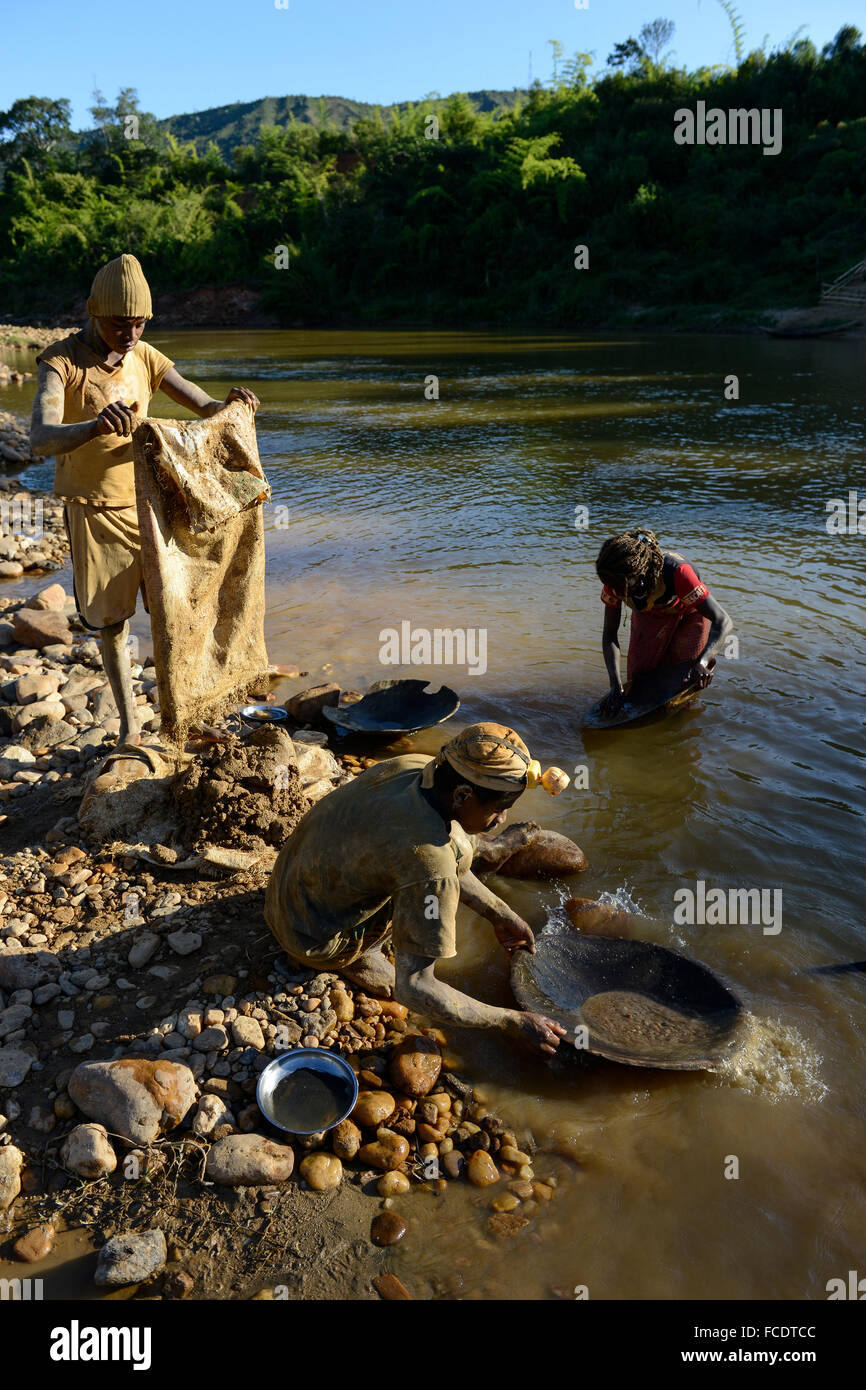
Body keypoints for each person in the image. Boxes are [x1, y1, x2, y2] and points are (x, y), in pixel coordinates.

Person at [29, 253, 260, 747]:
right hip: (94, 509)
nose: (129, 335)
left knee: (175, 610)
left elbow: (201, 404)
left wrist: (233, 407)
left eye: (138, 324)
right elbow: (41, 437)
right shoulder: (61, 362)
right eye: (119, 324)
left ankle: (186, 714)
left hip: (153, 506)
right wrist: (94, 427)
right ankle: (131, 730)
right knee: (112, 621)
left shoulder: (147, 357)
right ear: (93, 311)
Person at [264, 722, 568, 1056]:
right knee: (434, 892)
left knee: (452, 850)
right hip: (309, 936)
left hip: (288, 888)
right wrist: (513, 1021)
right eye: (498, 808)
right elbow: (415, 990)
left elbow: (435, 857)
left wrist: (500, 913)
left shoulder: (416, 767)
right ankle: (353, 957)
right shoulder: (429, 865)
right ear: (464, 794)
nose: (501, 819)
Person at [595, 528, 732, 716]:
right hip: (650, 613)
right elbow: (610, 633)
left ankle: (681, 722)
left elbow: (723, 621)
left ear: (640, 573)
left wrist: (703, 660)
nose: (617, 592)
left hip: (690, 614)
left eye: (623, 587)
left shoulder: (678, 572)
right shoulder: (615, 579)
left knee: (687, 678)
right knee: (639, 679)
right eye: (613, 587)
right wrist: (615, 686)